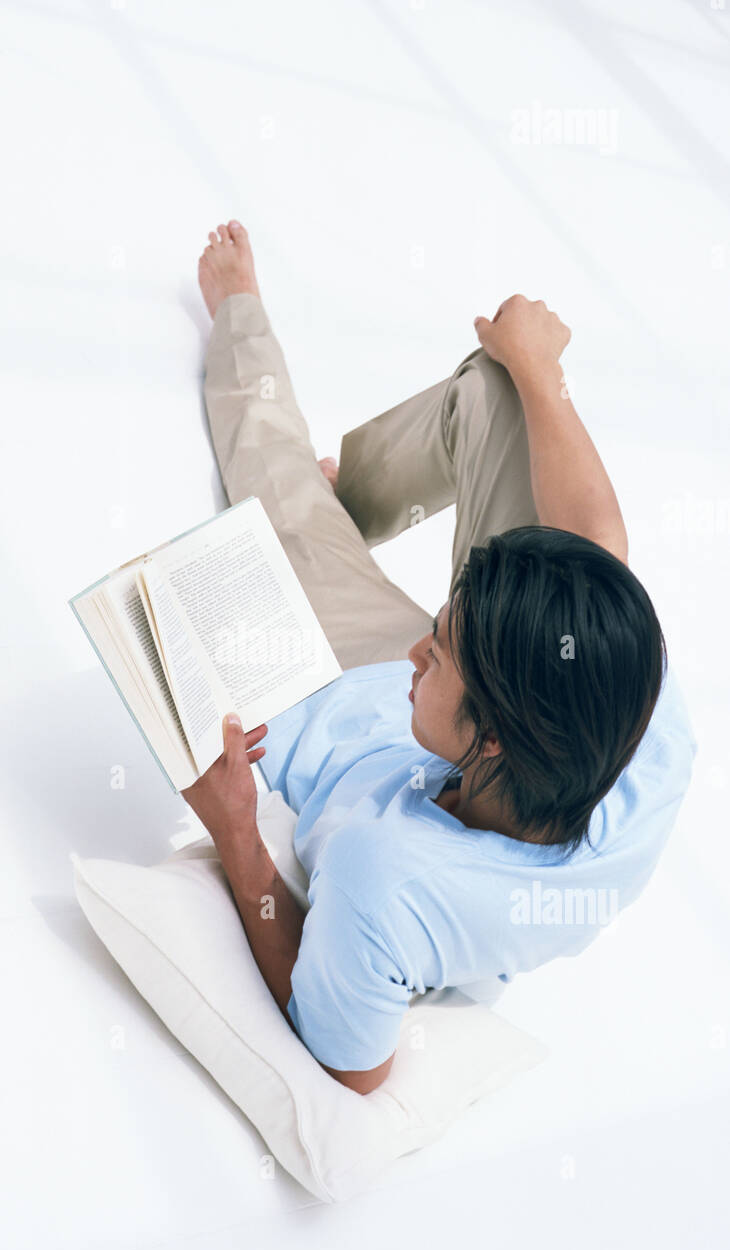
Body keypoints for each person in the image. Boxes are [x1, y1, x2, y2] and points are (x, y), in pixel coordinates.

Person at [182, 218, 697, 1096]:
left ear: (488, 738)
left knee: (269, 515)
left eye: (439, 649)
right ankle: (350, 492)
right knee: (496, 391)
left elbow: (352, 1069)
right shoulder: (643, 733)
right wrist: (537, 364)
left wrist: (236, 833)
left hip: (338, 676)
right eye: (443, 624)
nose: (419, 640)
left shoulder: (390, 880)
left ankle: (271, 404)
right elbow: (597, 545)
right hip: (475, 692)